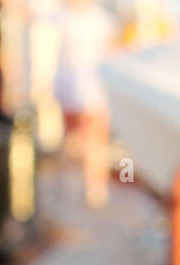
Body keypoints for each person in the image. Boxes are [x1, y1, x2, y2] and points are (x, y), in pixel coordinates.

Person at [54, 0, 117, 209]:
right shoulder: (95, 20)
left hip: (85, 90)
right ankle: (91, 187)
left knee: (87, 139)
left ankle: (88, 186)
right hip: (83, 90)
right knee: (89, 140)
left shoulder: (94, 20)